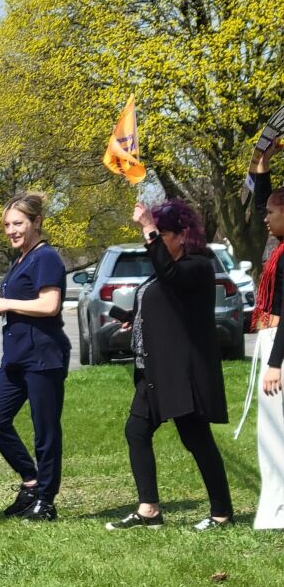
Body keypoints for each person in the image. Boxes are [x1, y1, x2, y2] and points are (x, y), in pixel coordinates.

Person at [107, 199, 233, 531]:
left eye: (163, 233)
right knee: (136, 430)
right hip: (154, 371)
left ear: (182, 235)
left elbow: (173, 278)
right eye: (157, 233)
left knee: (196, 439)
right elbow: (163, 301)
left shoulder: (197, 266)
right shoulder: (168, 265)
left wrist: (148, 226)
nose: (157, 239)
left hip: (181, 372)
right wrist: (131, 319)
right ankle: (148, 509)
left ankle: (221, 512)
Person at [0, 193, 69, 521]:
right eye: (7, 225)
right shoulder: (20, 259)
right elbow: (25, 302)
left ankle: (46, 500)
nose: (11, 230)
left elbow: (49, 305)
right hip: (16, 357)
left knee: (45, 430)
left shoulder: (46, 258)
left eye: (18, 223)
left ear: (37, 222)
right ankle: (31, 481)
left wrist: (6, 304)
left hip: (44, 356)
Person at [245, 143, 284, 529]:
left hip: (280, 349)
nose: (266, 219)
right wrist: (262, 164)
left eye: (274, 212)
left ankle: (277, 513)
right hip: (273, 337)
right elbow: (262, 205)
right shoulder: (279, 243)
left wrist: (275, 365)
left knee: (276, 434)